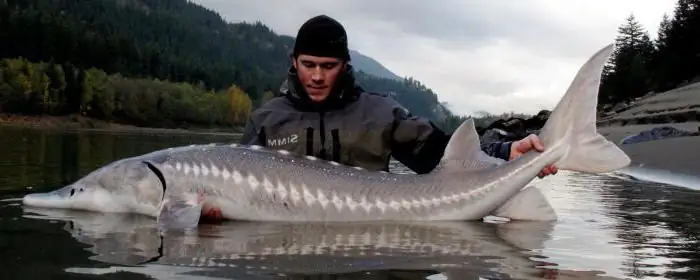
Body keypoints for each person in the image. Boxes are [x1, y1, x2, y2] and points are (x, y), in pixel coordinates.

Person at [240, 14, 557, 178]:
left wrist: (506, 152)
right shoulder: (267, 119)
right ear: (294, 63)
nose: (318, 76)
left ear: (345, 65)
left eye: (328, 65)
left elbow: (443, 156)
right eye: (309, 65)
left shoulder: (380, 113)